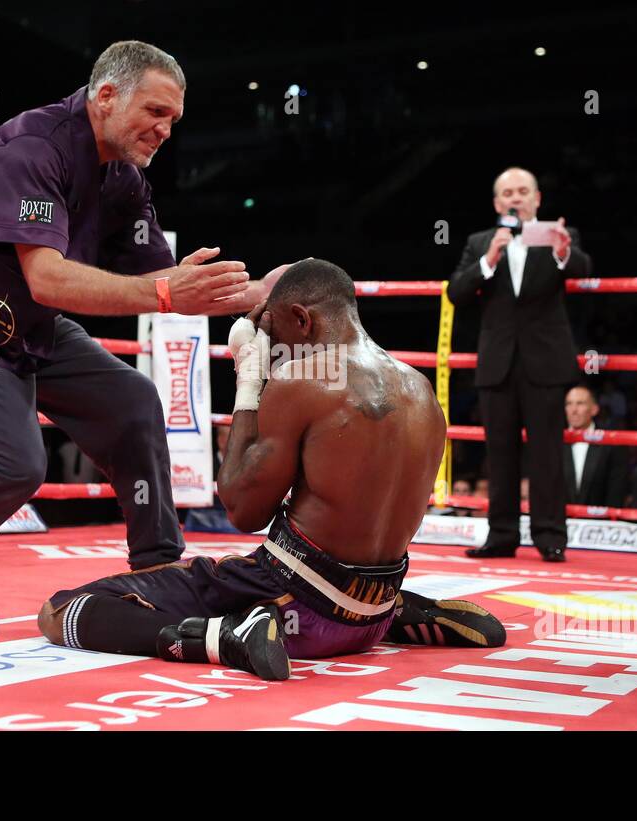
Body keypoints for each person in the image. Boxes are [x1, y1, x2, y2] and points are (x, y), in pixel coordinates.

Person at [0, 40, 272, 630]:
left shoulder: (123, 176)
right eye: (154, 112)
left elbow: (163, 278)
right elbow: (47, 278)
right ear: (104, 96)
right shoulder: (30, 148)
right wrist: (167, 292)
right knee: (15, 465)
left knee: (133, 402)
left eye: (173, 119)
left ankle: (158, 568)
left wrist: (258, 295)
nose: (165, 129)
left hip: (29, 325)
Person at [36, 259, 506, 679]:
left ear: (302, 318)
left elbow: (241, 508)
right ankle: (403, 611)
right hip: (371, 612)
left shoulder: (303, 379)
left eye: (275, 334)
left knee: (64, 610)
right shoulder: (421, 389)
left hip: (293, 601)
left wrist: (249, 378)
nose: (274, 346)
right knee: (348, 584)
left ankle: (226, 635)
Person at [448, 167, 592, 562]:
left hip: (545, 361)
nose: (515, 197)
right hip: (497, 363)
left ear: (537, 198)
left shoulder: (557, 236)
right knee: (500, 452)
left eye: (523, 191)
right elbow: (456, 291)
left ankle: (550, 536)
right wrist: (489, 259)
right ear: (497, 203)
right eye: (508, 192)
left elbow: (584, 268)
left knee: (547, 453)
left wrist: (563, 250)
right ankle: (502, 535)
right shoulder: (480, 242)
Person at [563, 384, 629, 508]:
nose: (574, 410)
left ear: (594, 409)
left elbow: (616, 492)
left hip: (598, 523)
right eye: (569, 404)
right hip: (561, 521)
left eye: (580, 403)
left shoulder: (609, 443)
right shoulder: (556, 442)